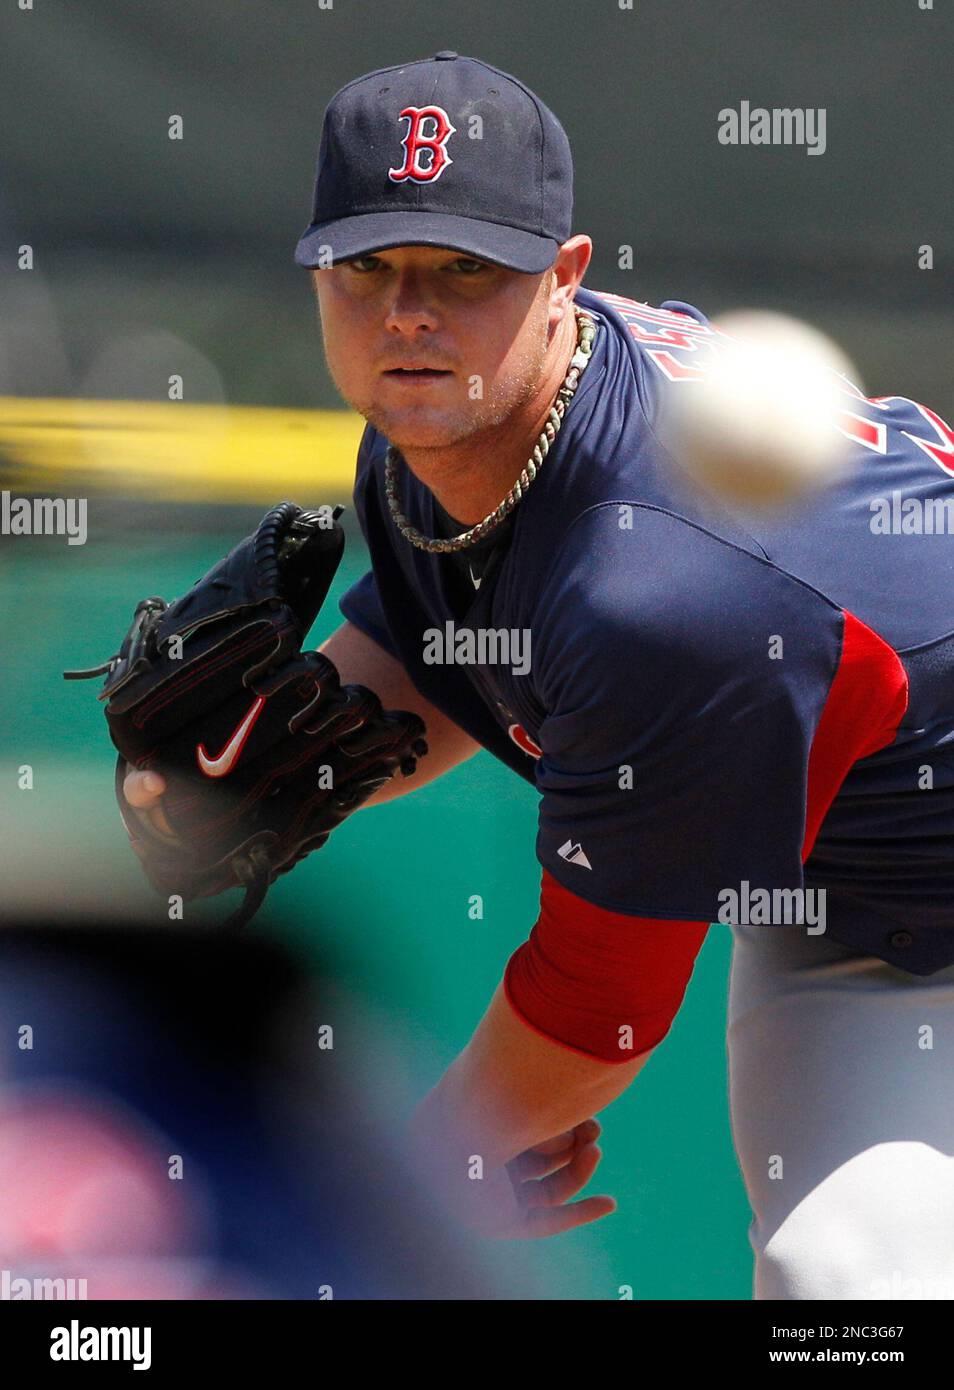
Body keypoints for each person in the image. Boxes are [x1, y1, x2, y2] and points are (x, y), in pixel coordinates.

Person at [124, 53, 954, 1297]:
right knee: (845, 1288)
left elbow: (596, 1008)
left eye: (465, 268)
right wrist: (258, 770)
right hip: (867, 914)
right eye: (368, 266)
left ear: (565, 278)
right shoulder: (449, 423)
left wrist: (427, 1166)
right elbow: (453, 652)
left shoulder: (669, 593)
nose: (408, 309)